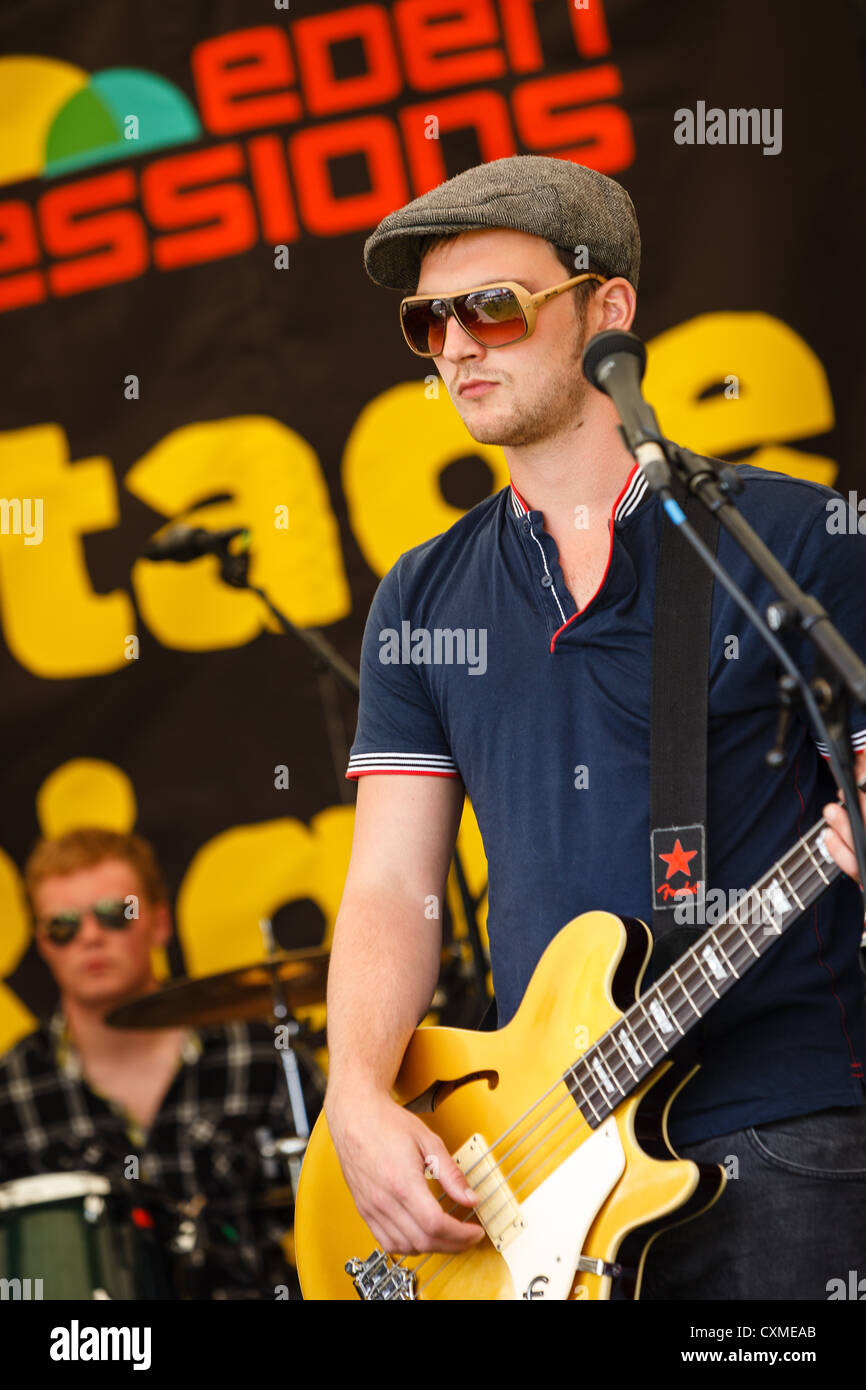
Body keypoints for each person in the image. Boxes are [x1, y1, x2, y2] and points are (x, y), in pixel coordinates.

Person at [323, 155, 866, 1299]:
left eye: (492, 307)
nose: (458, 345)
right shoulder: (420, 597)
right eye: (429, 322)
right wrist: (357, 1093)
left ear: (606, 308)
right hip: (545, 1160)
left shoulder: (797, 537)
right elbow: (387, 885)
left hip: (781, 1125)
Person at [0, 826, 304, 1298]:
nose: (91, 937)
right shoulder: (11, 1091)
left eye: (115, 914)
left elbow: (348, 1194)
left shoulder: (259, 1055)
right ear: (42, 944)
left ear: (160, 922)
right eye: (63, 926)